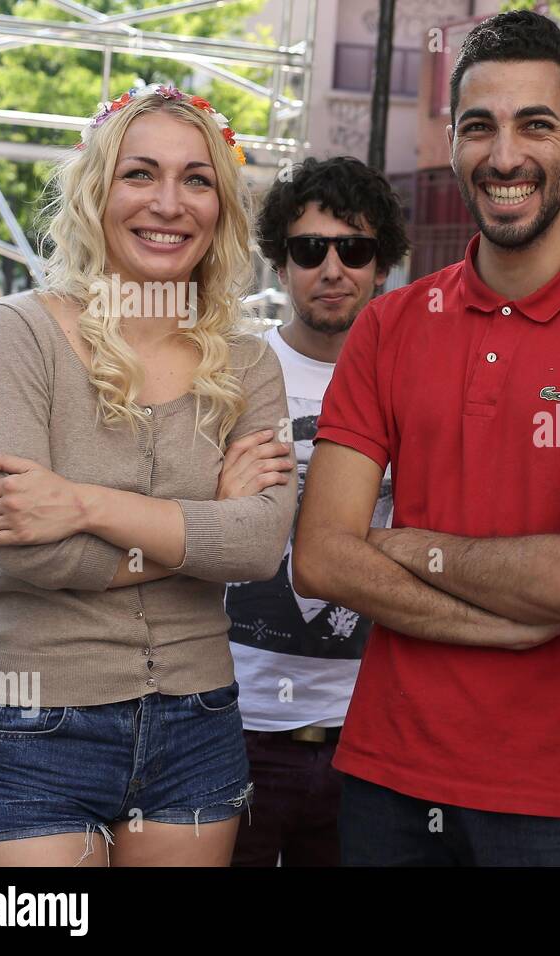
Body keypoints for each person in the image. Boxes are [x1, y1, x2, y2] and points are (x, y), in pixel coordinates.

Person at [292, 9, 560, 866]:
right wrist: (507, 621)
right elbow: (321, 559)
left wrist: (395, 544)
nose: (505, 155)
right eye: (480, 125)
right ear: (452, 141)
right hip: (386, 778)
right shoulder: (389, 324)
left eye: (536, 126)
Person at [0, 84, 297, 866]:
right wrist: (200, 524)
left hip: (197, 720)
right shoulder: (18, 335)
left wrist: (79, 502)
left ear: (222, 206)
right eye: (140, 174)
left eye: (197, 179)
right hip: (39, 718)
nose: (169, 203)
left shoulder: (249, 364)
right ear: (97, 191)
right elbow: (28, 553)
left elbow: (255, 549)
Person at [227, 156, 408, 867]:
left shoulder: (411, 383)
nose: (332, 268)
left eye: (354, 249)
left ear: (382, 265)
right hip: (232, 727)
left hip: (366, 740)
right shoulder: (232, 375)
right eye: (309, 249)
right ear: (280, 265)